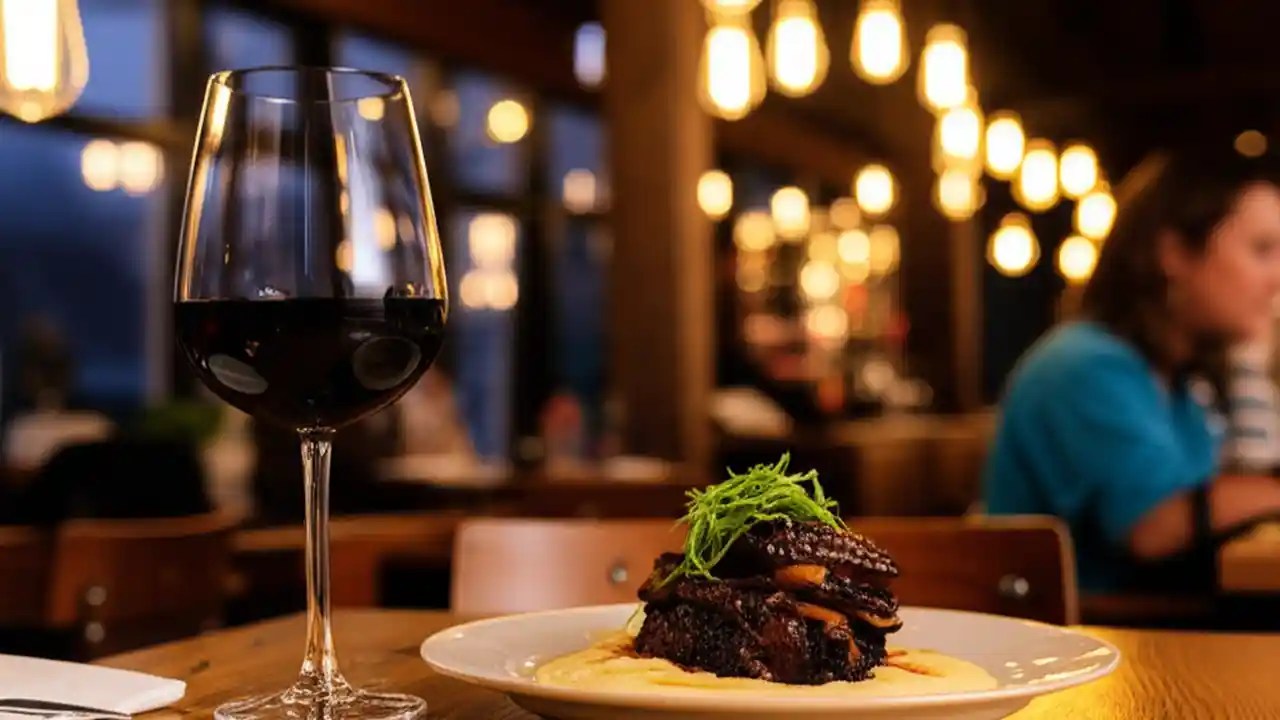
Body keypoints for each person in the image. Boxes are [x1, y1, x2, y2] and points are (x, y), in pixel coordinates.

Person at [983, 147, 1280, 593]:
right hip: (1087, 646)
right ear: (1174, 251)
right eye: (1262, 250)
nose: (1276, 277)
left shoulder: (1175, 380)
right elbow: (1155, 526)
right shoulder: (1084, 365)